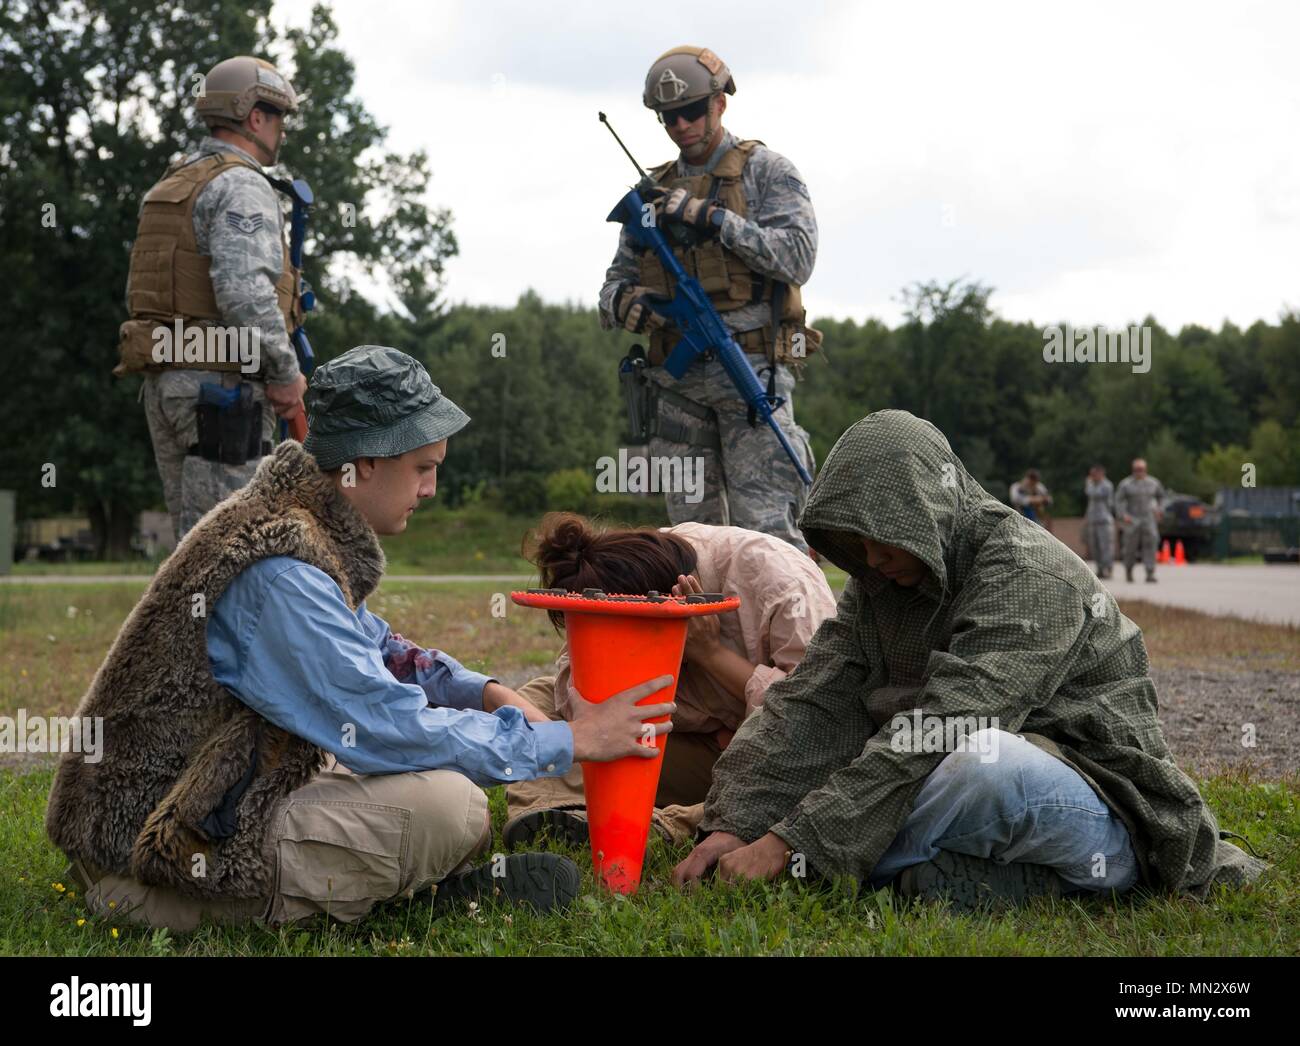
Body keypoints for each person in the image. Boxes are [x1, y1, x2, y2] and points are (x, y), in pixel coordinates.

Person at [46, 346, 674, 930]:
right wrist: (570, 738)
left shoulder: (293, 532)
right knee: (452, 809)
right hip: (154, 838)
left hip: (206, 790)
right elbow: (384, 726)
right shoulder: (282, 575)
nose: (430, 490)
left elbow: (381, 652)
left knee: (420, 785)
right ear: (366, 463)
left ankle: (397, 884)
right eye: (423, 469)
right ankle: (170, 903)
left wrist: (485, 693)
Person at [672, 410, 1267, 910]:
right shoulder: (883, 582)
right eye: (857, 539)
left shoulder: (1028, 573)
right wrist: (736, 822)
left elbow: (944, 727)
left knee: (979, 761)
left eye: (885, 534)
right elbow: (811, 702)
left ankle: (1108, 873)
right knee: (875, 752)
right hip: (954, 791)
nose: (871, 557)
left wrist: (787, 843)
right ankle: (994, 881)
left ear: (928, 510)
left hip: (1100, 799)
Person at [598, 45, 821, 554]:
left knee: (768, 537)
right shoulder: (651, 195)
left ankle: (782, 637)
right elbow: (613, 285)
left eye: (692, 111)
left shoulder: (767, 173)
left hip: (750, 375)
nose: (681, 125)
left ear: (720, 103)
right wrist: (626, 305)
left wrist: (715, 219)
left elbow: (798, 258)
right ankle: (703, 635)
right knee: (690, 543)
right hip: (676, 386)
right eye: (668, 117)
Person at [502, 514, 838, 848]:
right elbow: (570, 678)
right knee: (537, 698)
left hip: (757, 757)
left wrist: (709, 653)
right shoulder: (620, 571)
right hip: (668, 736)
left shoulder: (783, 583)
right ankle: (553, 815)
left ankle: (672, 825)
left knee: (798, 768)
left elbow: (812, 720)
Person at [114, 55, 310, 541]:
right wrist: (286, 374)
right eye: (279, 117)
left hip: (169, 381)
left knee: (192, 551)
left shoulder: (174, 182)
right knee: (230, 550)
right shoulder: (241, 184)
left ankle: (187, 621)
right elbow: (244, 295)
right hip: (221, 391)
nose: (282, 131)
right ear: (255, 116)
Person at [1115, 458, 1166, 583]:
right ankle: (1129, 571)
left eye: (1141, 469)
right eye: (1137, 469)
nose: (1139, 472)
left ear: (1145, 470)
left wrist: (1160, 509)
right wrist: (1123, 514)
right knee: (1130, 547)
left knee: (1151, 545)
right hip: (1132, 519)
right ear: (1133, 470)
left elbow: (1162, 497)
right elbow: (1118, 501)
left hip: (1148, 518)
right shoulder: (1126, 484)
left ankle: (1150, 573)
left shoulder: (1153, 483)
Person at [1084, 464, 1116, 578]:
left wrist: (1089, 483)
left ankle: (1108, 567)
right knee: (1095, 546)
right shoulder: (1092, 484)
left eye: (1094, 474)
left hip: (1104, 520)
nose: (1091, 476)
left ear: (1100, 474)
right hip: (1093, 519)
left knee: (1105, 546)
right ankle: (1100, 568)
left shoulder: (1106, 485)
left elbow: (1094, 493)